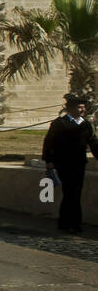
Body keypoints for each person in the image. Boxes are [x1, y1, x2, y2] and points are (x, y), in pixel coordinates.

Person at [42, 93, 98, 234]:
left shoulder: (86, 125)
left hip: (79, 163)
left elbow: (93, 143)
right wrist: (49, 161)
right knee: (70, 192)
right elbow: (49, 142)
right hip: (63, 163)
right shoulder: (59, 124)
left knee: (75, 192)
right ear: (71, 109)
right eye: (79, 107)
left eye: (83, 107)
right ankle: (70, 223)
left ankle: (69, 223)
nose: (82, 110)